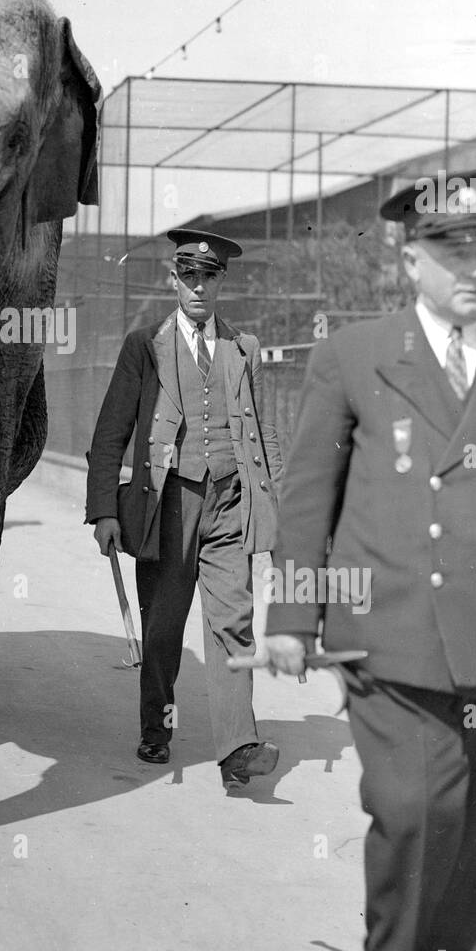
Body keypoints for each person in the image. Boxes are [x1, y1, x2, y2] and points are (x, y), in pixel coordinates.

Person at [265, 173, 476, 951]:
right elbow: (308, 495)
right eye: (451, 249)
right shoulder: (355, 355)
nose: (472, 267)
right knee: (417, 817)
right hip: (390, 642)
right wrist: (291, 616)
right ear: (410, 259)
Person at [86, 230, 284, 786]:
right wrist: (104, 509)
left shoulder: (243, 349)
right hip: (166, 508)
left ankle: (237, 748)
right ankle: (156, 728)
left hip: (229, 505)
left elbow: (261, 435)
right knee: (165, 628)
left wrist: (276, 510)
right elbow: (110, 434)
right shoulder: (143, 345)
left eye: (209, 276)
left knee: (233, 624)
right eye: (189, 275)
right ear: (173, 279)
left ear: (222, 282)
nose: (198, 286)